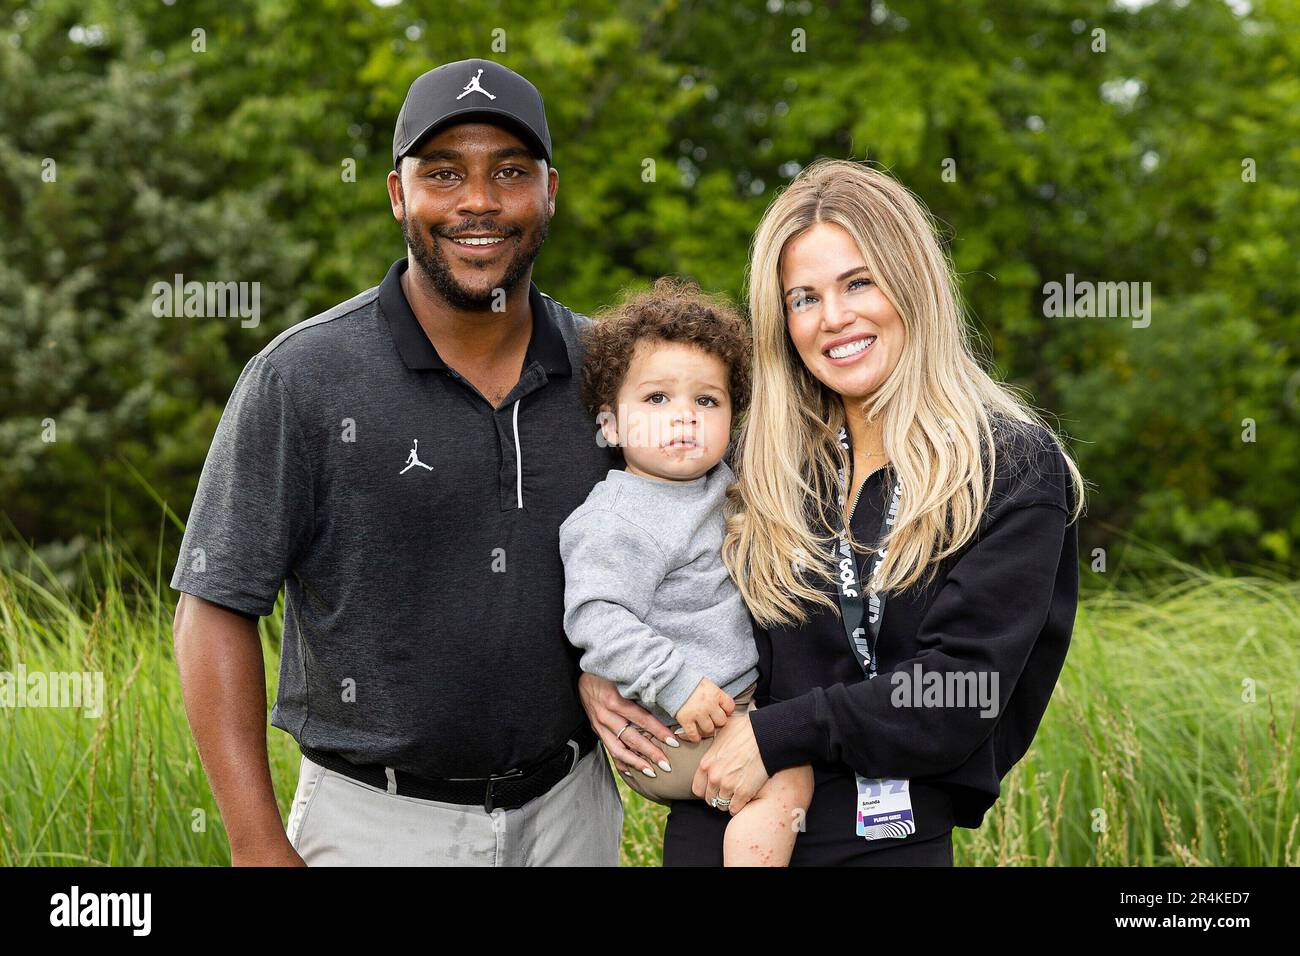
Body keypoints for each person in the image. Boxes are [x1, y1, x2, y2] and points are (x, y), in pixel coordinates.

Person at [170, 58, 626, 866]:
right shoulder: (300, 378)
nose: (478, 201)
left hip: (572, 812)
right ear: (396, 194)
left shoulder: (615, 373)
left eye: (509, 173)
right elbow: (214, 607)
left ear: (550, 191)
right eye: (443, 173)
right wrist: (254, 845)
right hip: (373, 824)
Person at [580, 159, 1086, 866]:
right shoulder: (758, 461)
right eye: (804, 298)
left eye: (859, 282)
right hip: (721, 825)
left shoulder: (1006, 467)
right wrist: (604, 667)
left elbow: (958, 695)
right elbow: (636, 557)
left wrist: (778, 733)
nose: (835, 318)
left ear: (912, 282)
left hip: (883, 841)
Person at [559, 279, 814, 866]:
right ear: (611, 427)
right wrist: (677, 686)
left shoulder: (719, 484)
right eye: (656, 400)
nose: (684, 419)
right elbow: (597, 618)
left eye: (706, 401)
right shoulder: (616, 518)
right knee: (788, 775)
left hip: (730, 701)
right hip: (666, 726)